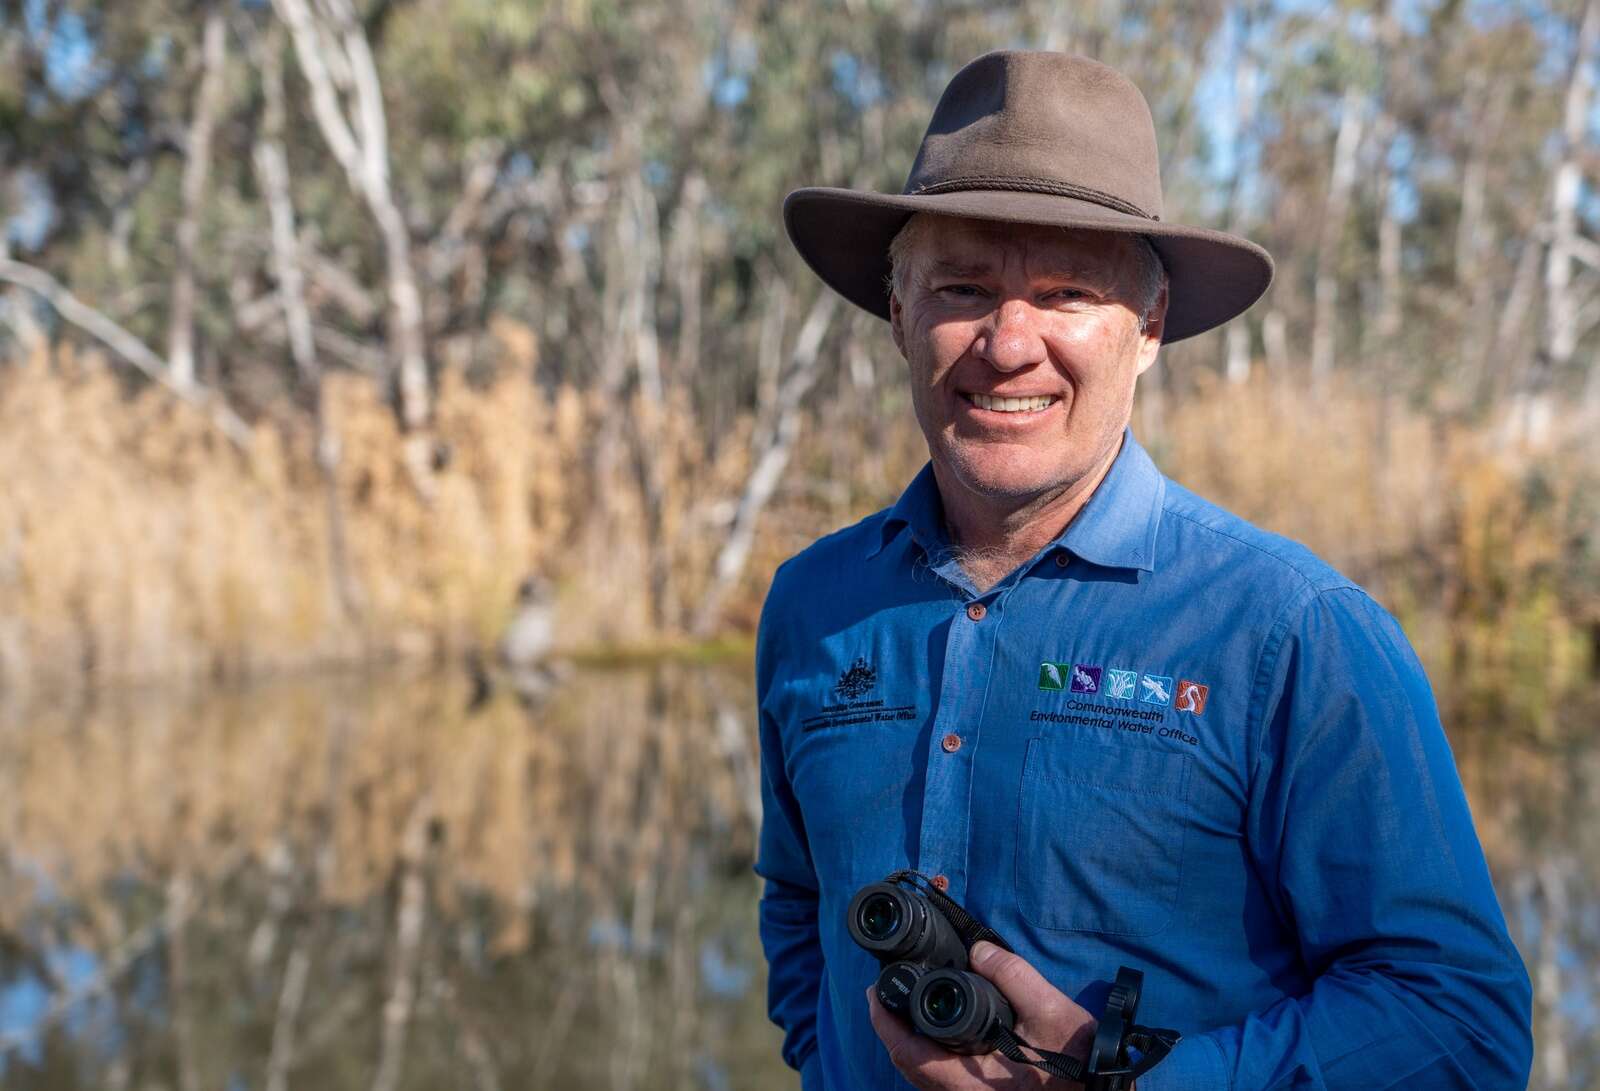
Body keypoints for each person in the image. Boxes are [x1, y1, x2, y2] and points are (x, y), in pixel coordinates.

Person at [755, 51, 1533, 1090]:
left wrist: (1140, 1081)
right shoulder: (814, 603)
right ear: (898, 314)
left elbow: (1460, 1020)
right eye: (962, 288)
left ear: (1150, 326)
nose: (1008, 342)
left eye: (1068, 291)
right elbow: (799, 910)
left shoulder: (1292, 630)